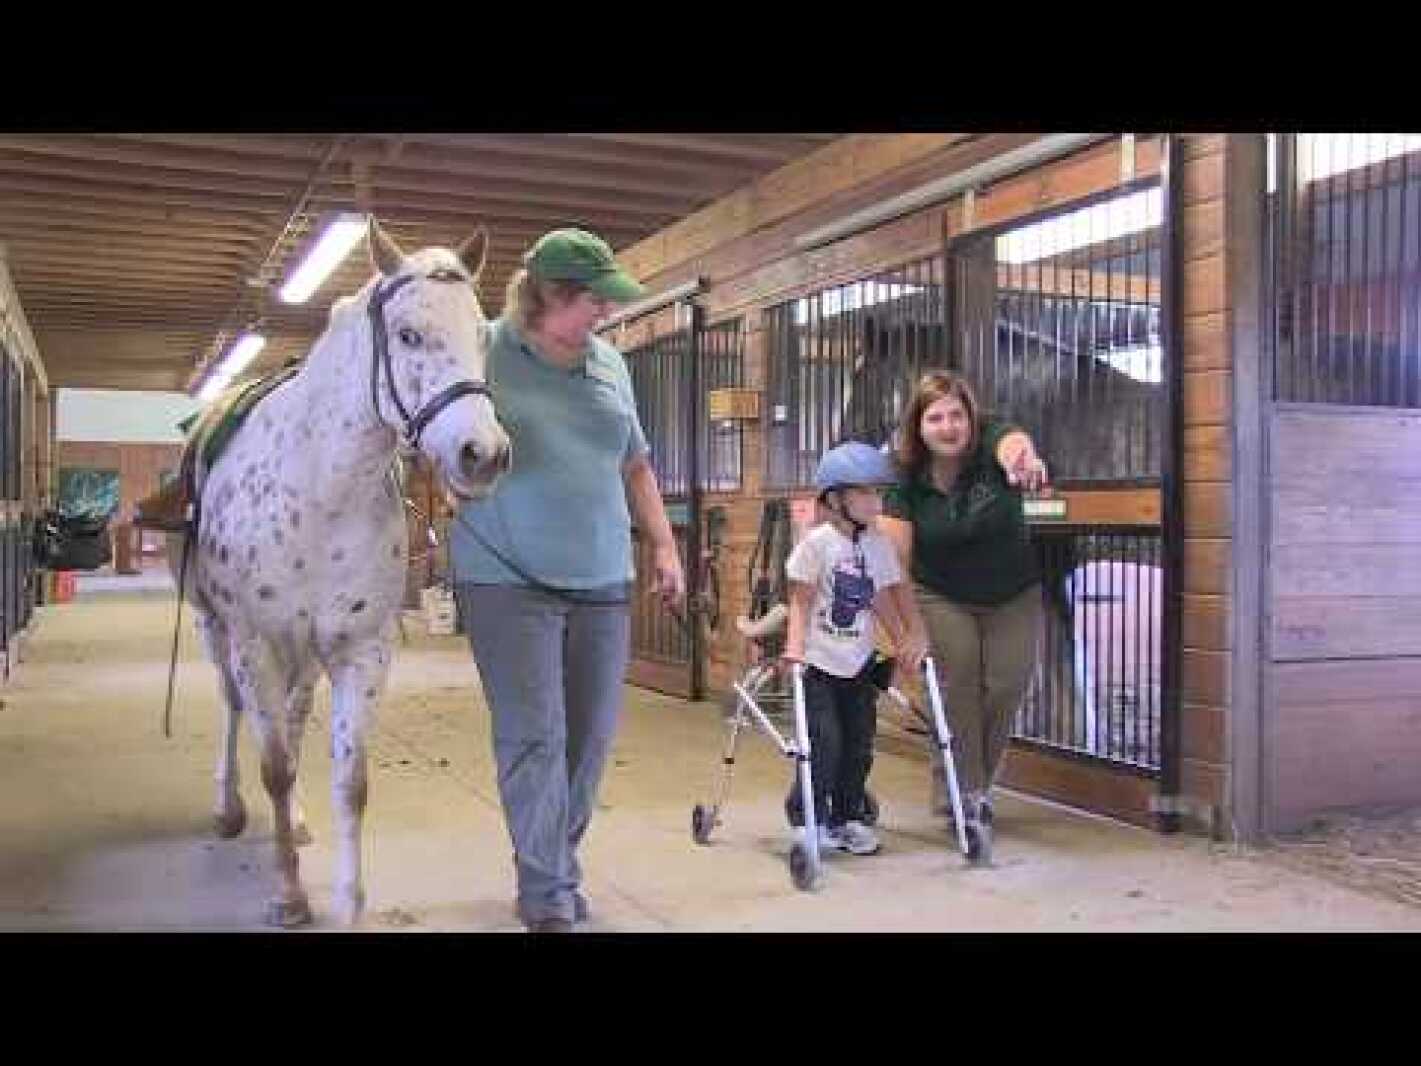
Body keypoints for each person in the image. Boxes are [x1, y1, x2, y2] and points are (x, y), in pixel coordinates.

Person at [449, 228, 685, 933]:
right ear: (547, 295)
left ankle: (547, 863)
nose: (605, 315)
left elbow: (635, 464)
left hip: (602, 576)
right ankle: (548, 887)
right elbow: (435, 430)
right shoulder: (483, 349)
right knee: (534, 736)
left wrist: (665, 546)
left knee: (587, 743)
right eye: (593, 301)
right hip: (506, 575)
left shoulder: (609, 363)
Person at [879, 372, 1049, 861]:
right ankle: (965, 794)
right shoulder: (906, 477)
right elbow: (894, 560)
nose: (948, 426)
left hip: (1012, 590)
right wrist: (905, 630)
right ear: (919, 426)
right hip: (940, 594)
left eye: (957, 415)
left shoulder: (993, 439)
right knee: (958, 689)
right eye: (935, 418)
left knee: (1008, 683)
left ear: (972, 419)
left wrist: (1026, 461)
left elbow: (1015, 447)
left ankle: (974, 782)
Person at [780, 441, 915, 857]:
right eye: (867, 493)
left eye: (880, 492)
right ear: (836, 498)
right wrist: (794, 648)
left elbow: (880, 597)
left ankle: (845, 819)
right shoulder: (816, 544)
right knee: (824, 742)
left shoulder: (878, 545)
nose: (877, 502)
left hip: (858, 663)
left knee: (859, 744)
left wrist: (903, 638)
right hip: (818, 664)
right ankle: (809, 819)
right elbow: (800, 601)